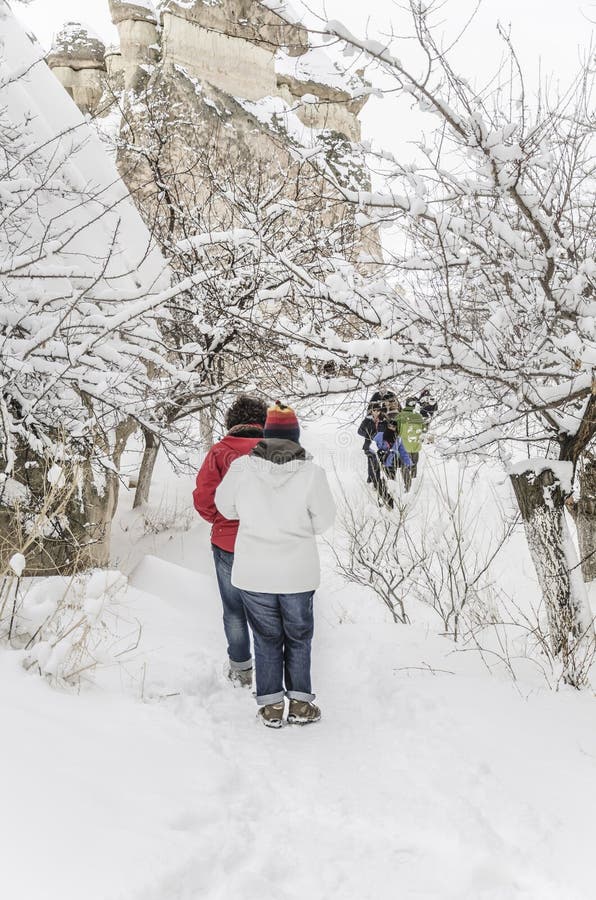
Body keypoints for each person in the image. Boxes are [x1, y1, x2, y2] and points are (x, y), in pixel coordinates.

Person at [215, 401, 336, 728]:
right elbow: (324, 521)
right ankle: (300, 704)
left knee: (266, 637)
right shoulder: (312, 474)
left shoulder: (241, 469)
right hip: (297, 573)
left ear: (265, 435)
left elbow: (225, 508)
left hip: (255, 573)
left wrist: (252, 515)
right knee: (299, 636)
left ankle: (270, 707)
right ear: (296, 436)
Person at [193, 394, 268, 687]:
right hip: (269, 541)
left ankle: (241, 670)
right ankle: (271, 669)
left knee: (234, 610)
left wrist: (221, 521)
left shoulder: (219, 452)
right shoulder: (276, 452)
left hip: (229, 544)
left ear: (232, 422)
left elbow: (204, 498)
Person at [395, 398, 427, 490]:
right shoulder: (419, 416)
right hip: (415, 446)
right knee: (414, 465)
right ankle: (413, 486)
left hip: (404, 446)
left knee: (405, 466)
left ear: (406, 404)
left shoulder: (400, 416)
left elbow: (396, 430)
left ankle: (407, 486)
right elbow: (424, 429)